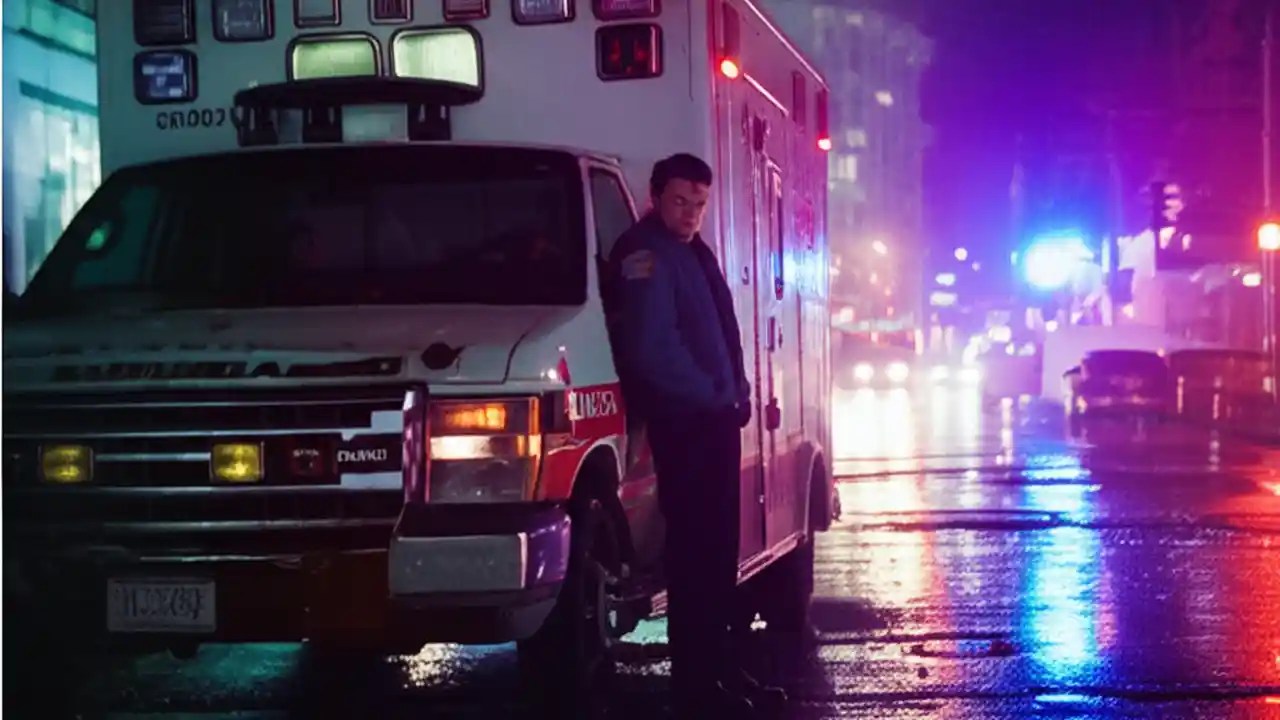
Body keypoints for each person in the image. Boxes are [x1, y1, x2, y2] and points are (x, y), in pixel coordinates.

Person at [609, 153, 787, 719]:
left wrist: (733, 389)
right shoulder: (647, 256)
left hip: (710, 420)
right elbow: (651, 351)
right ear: (656, 196)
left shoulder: (688, 251)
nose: (691, 214)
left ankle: (716, 674)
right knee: (696, 559)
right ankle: (697, 689)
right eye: (681, 202)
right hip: (687, 424)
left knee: (716, 558)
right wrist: (716, 393)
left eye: (700, 205)